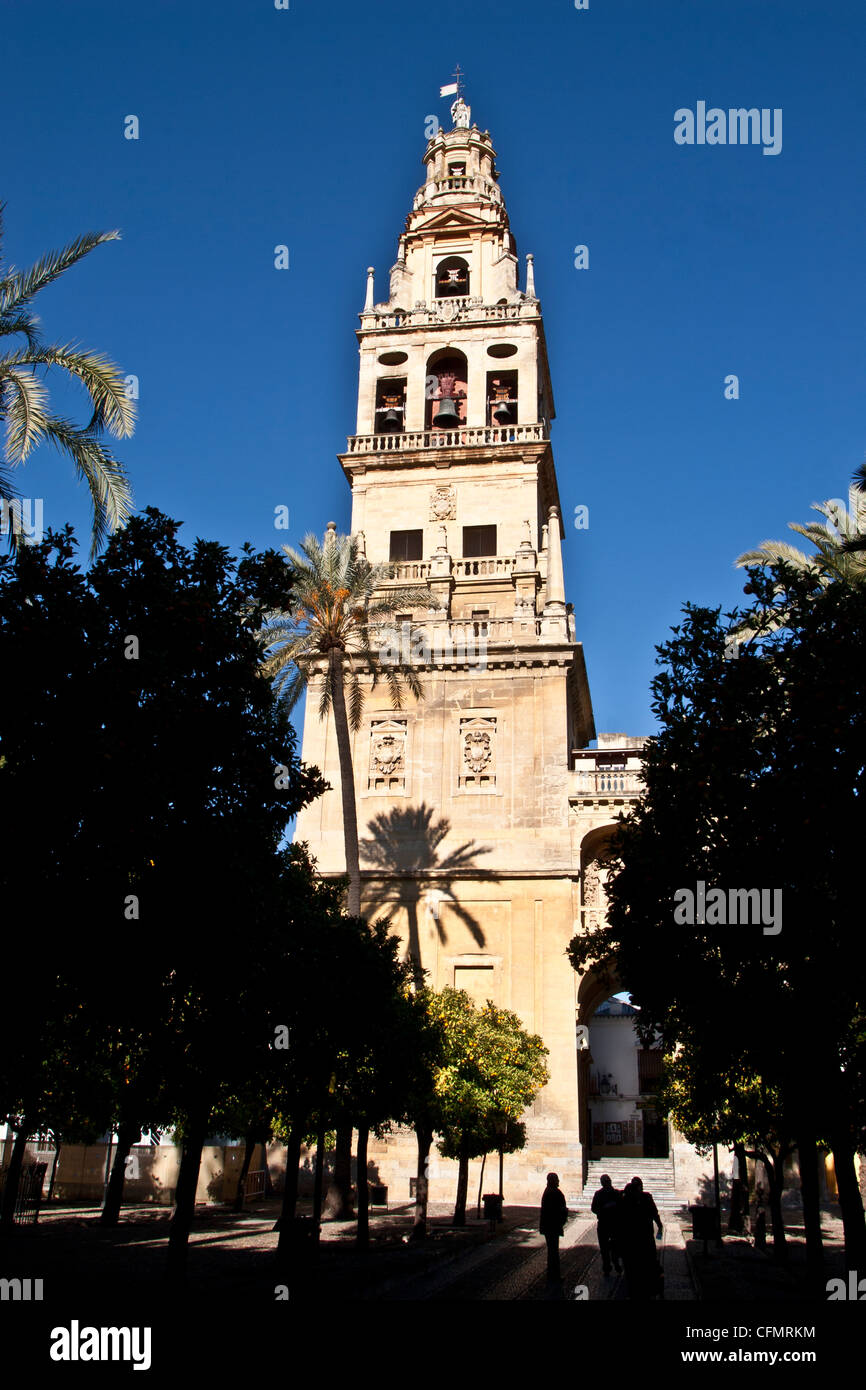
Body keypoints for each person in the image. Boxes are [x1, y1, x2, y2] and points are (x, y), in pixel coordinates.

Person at [618, 1175, 663, 1299]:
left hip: (635, 1239)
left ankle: (636, 1291)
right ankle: (646, 1290)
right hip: (642, 1238)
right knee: (645, 1265)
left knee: (635, 1267)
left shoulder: (626, 1199)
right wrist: (659, 1226)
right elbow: (654, 1213)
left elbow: (620, 1220)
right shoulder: (640, 1198)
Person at [590, 1173, 622, 1274]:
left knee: (610, 1246)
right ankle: (610, 1265)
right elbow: (594, 1208)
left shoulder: (615, 1193)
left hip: (610, 1224)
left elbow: (594, 1208)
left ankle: (610, 1265)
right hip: (607, 1223)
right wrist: (604, 1209)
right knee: (607, 1247)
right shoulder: (603, 1194)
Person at [539, 1172, 568, 1283]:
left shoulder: (549, 1191)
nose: (558, 1181)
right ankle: (554, 1276)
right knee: (553, 1252)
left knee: (552, 1251)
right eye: (556, 1179)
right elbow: (556, 1210)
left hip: (549, 1226)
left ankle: (553, 1275)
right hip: (552, 1226)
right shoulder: (553, 1193)